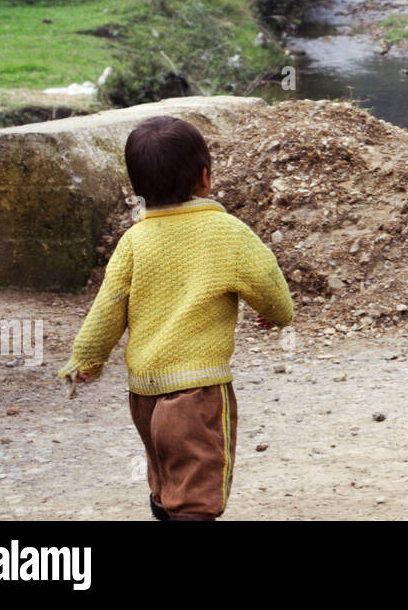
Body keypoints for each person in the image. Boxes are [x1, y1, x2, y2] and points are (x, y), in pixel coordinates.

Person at [59, 116, 294, 521]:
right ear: (204, 177)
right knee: (197, 489)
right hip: (197, 391)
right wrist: (277, 315)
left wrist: (86, 360)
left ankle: (163, 509)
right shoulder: (228, 233)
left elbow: (108, 306)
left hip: (144, 393)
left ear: (137, 187)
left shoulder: (133, 241)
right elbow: (271, 288)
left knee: (165, 472)